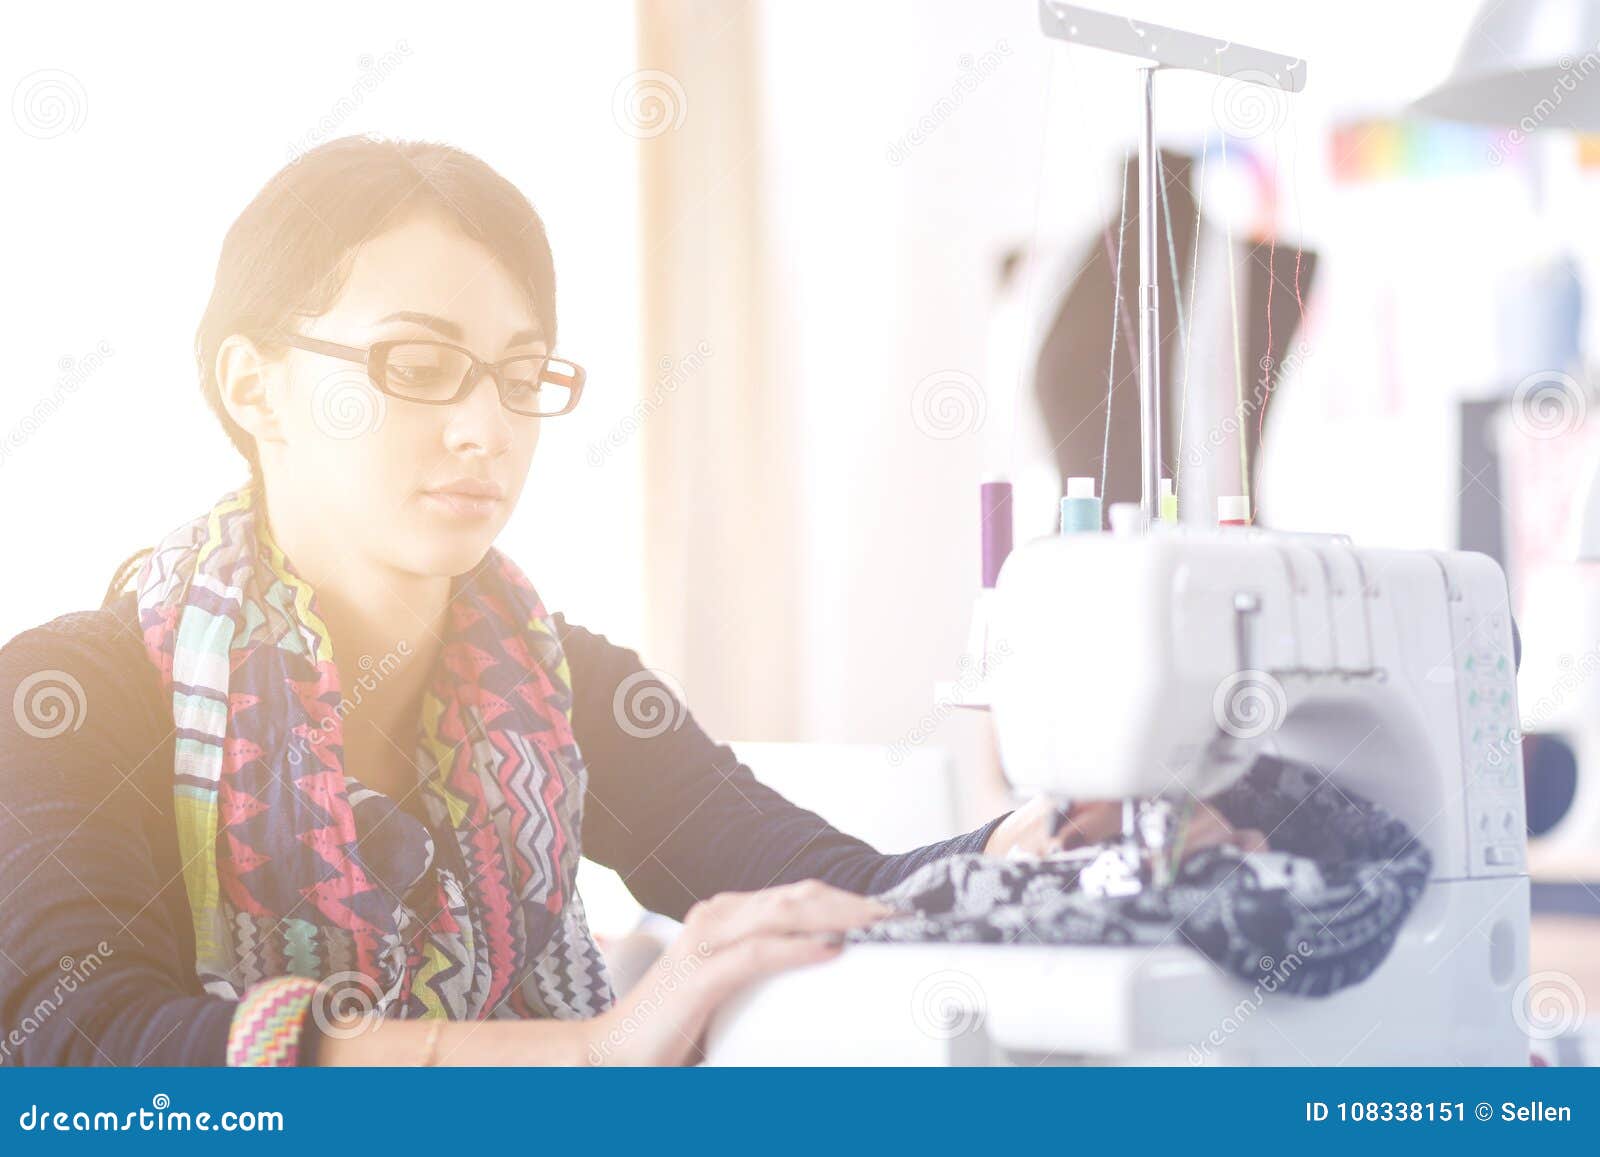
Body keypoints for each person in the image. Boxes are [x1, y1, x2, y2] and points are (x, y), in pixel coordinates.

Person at [0, 137, 1263, 1068]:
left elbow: (819, 877)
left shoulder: (562, 686)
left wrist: (1030, 849)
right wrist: (598, 1051)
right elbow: (81, 1044)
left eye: (516, 374)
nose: (483, 427)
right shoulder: (75, 694)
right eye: (419, 365)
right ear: (254, 384)